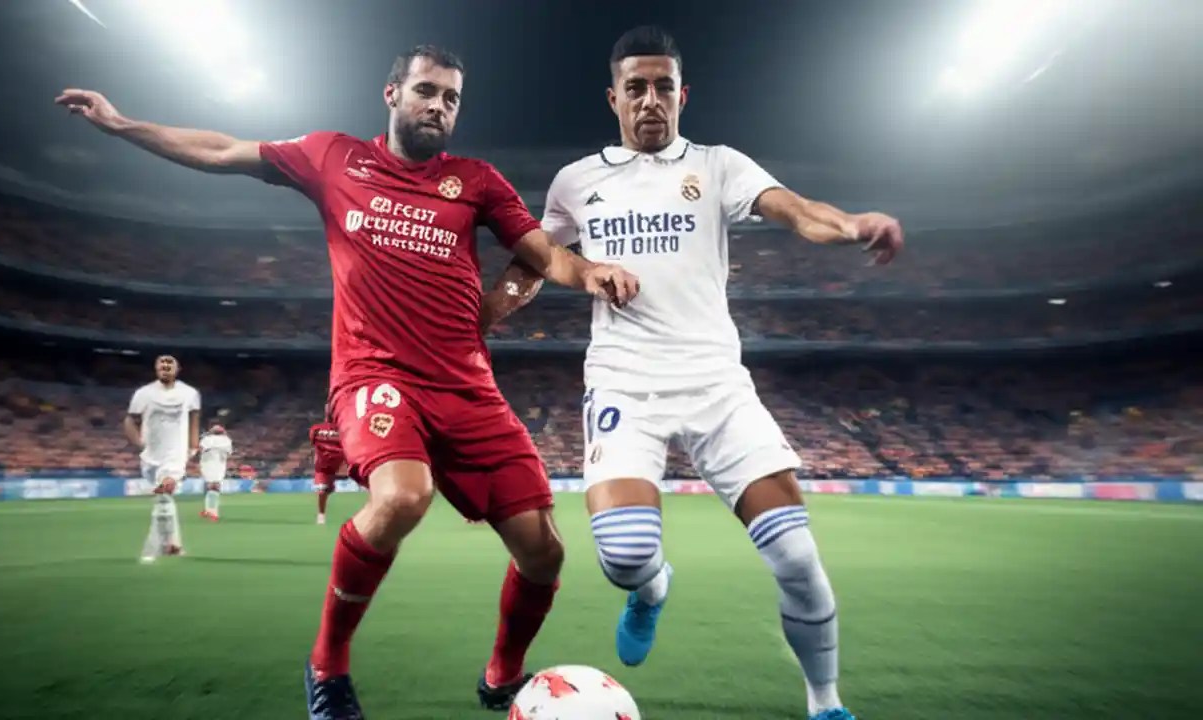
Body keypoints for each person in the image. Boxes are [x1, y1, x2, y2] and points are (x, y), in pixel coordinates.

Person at [57, 44, 638, 720]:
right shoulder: (331, 158)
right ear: (391, 93)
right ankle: (327, 665)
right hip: (375, 374)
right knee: (402, 497)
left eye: (451, 98)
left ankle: (501, 674)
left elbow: (540, 255)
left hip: (466, 386)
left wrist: (589, 271)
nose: (438, 106)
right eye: (426, 90)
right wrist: (123, 124)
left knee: (543, 552)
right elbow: (220, 150)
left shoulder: (475, 180)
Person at [537, 25, 902, 720]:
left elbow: (796, 212)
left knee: (797, 558)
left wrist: (852, 223)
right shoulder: (576, 181)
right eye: (636, 88)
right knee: (623, 556)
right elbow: (544, 253)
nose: (650, 100)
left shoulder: (718, 165)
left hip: (716, 387)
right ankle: (651, 589)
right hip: (624, 384)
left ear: (682, 94)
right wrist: (585, 270)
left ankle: (825, 703)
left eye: (663, 87)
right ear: (613, 97)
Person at [126, 355, 201, 563]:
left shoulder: (189, 393)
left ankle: (152, 548)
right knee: (165, 500)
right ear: (156, 368)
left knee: (163, 495)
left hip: (175, 456)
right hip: (151, 457)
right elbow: (130, 419)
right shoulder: (144, 393)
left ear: (178, 369)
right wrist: (139, 442)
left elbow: (195, 417)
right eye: (162, 363)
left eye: (170, 364)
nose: (165, 367)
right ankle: (174, 545)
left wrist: (193, 445)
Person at [310, 416, 346, 526]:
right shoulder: (316, 429)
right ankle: (321, 514)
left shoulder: (344, 428)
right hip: (323, 468)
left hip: (340, 466)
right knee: (322, 490)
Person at [198, 424, 232, 521]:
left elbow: (201, 449)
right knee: (215, 485)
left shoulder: (206, 439)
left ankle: (210, 510)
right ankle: (211, 510)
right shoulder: (226, 440)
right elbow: (229, 452)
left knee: (210, 485)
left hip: (207, 463)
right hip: (219, 464)